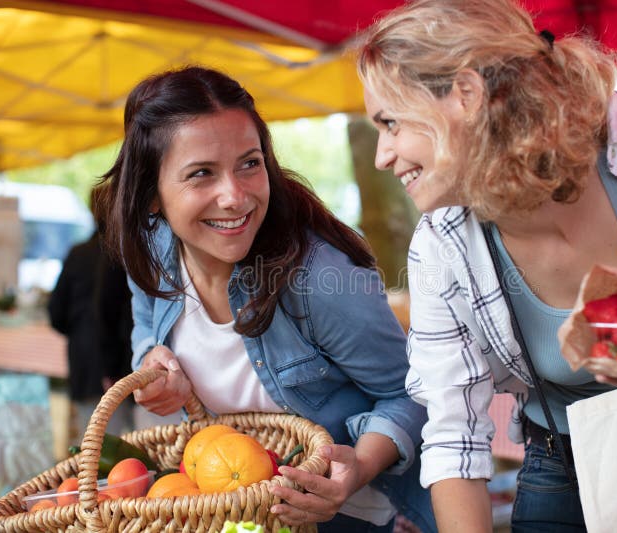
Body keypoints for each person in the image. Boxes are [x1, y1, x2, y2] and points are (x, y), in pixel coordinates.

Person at [356, 0, 617, 531]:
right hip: (560, 469)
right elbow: (453, 436)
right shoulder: (441, 243)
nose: (382, 154)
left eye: (391, 123)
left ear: (465, 95)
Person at [97, 66, 434, 533]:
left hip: (333, 514)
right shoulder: (153, 247)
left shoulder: (319, 277)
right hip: (222, 508)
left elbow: (412, 393)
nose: (234, 196)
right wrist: (152, 360)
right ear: (152, 196)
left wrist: (358, 466)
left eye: (249, 163)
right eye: (201, 174)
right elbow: (145, 326)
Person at [48, 185, 134, 445]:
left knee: (98, 449)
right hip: (120, 365)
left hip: (87, 362)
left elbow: (56, 312)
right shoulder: (127, 251)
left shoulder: (78, 253)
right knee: (130, 449)